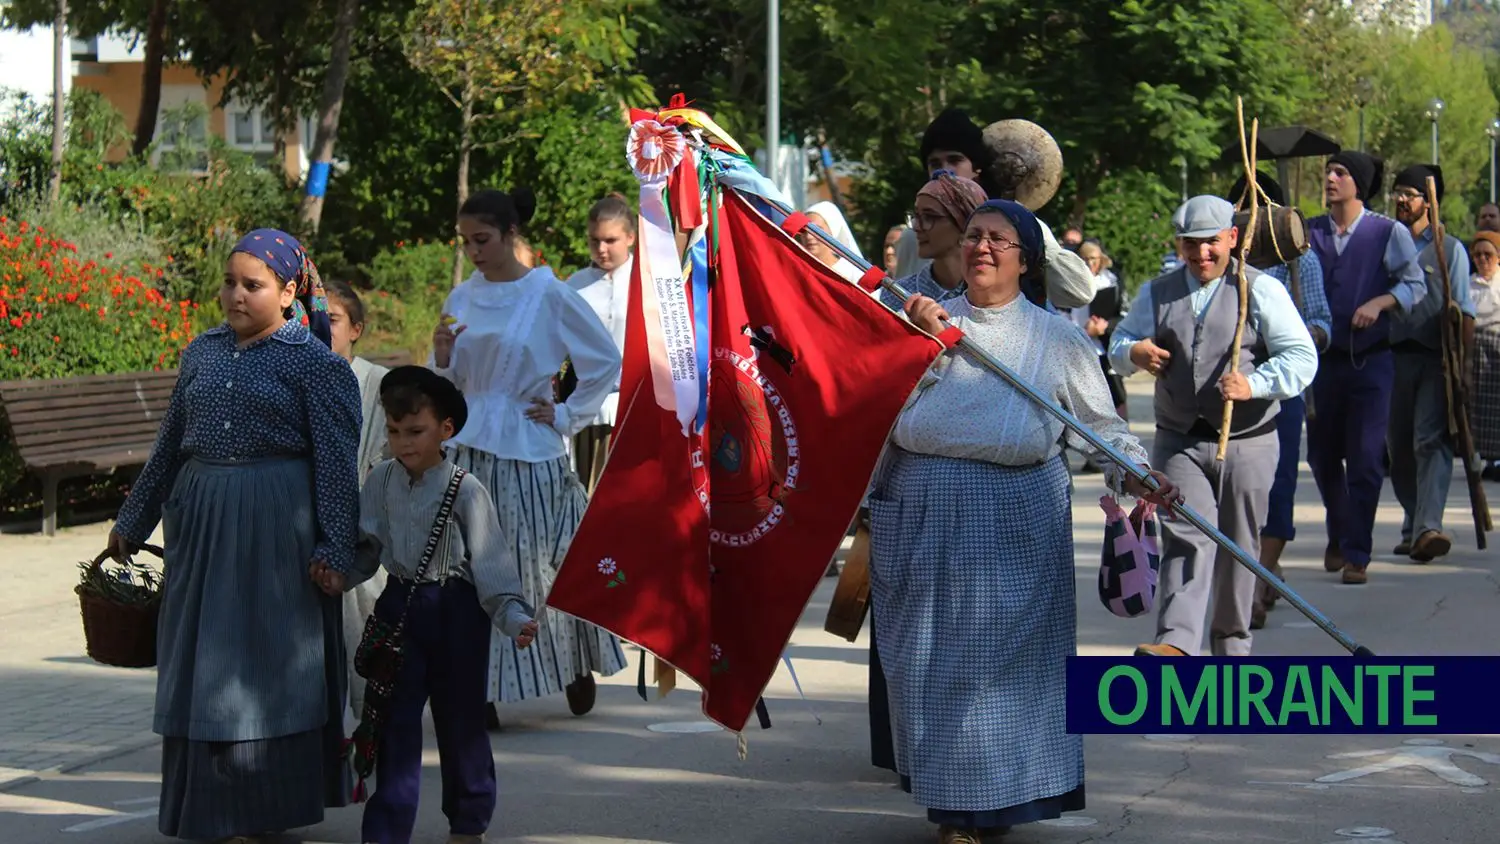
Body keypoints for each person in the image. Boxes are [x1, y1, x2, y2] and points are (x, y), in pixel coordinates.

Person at [875, 198, 1179, 843]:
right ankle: (953, 795)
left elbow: (1101, 427)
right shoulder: (916, 322)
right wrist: (920, 348)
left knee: (991, 667)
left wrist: (1140, 472)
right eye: (976, 236)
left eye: (999, 241)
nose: (983, 248)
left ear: (1026, 260)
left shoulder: (1057, 340)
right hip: (920, 509)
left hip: (1013, 516)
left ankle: (974, 811)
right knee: (926, 662)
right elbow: (872, 409)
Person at [106, 229, 359, 841]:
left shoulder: (315, 365)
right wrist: (132, 521)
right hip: (201, 526)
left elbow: (335, 464)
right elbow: (170, 443)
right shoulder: (203, 351)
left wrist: (334, 549)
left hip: (276, 531)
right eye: (229, 282)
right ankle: (209, 805)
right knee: (204, 660)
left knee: (267, 661)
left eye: (254, 285)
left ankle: (258, 806)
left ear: (290, 289)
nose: (236, 296)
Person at [314, 365, 540, 844]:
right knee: (392, 723)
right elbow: (367, 550)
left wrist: (513, 617)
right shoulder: (379, 482)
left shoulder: (466, 489)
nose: (404, 442)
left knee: (461, 724)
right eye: (394, 432)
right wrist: (339, 577)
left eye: (415, 431)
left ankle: (468, 821)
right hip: (399, 608)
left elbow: (492, 565)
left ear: (445, 429)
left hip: (458, 614)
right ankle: (386, 830)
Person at [432, 187, 626, 720]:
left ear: (510, 234)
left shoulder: (548, 292)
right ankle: (482, 685)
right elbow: (445, 380)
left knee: (537, 565)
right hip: (468, 447)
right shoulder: (462, 297)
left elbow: (604, 360)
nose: (473, 250)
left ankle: (572, 663)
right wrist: (444, 359)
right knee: (469, 567)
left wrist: (565, 414)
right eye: (466, 241)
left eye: (483, 239)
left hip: (527, 449)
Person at [1109, 196, 1318, 658]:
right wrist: (1135, 353)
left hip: (1248, 440)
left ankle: (1231, 645)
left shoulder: (1260, 290)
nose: (1201, 254)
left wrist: (1255, 383)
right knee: (1185, 534)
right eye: (1190, 245)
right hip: (1179, 439)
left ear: (1232, 239)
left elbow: (1302, 356)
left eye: (1211, 244)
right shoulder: (1157, 292)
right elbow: (1120, 343)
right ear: (1179, 245)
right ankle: (1177, 643)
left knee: (1241, 547)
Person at [1305, 151, 1426, 584]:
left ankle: (1357, 551)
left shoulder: (1387, 232)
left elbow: (1414, 283)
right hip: (1319, 364)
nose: (1331, 179)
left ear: (1359, 183)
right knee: (1320, 457)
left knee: (1365, 459)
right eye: (1328, 172)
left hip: (1371, 364)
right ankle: (1340, 530)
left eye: (1340, 173)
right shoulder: (1310, 231)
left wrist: (1380, 302)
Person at [1222, 173, 1332, 629]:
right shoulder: (1217, 258)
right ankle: (1250, 571)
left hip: (1279, 387)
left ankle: (1258, 581)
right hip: (1225, 386)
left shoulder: (1298, 261)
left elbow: (1322, 323)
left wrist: (1306, 337)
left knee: (1278, 481)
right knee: (1234, 488)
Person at [891, 107, 1095, 310]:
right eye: (934, 163)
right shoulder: (915, 236)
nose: (945, 170)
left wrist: (1023, 228)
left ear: (976, 168)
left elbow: (1079, 293)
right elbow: (899, 306)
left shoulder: (1016, 224)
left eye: (955, 160)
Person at [1387, 164, 1476, 563]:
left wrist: (1464, 364)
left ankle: (1428, 527)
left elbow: (1465, 311)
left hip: (1435, 359)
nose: (1403, 201)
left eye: (1411, 193)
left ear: (1429, 201)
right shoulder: (1386, 244)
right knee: (1398, 448)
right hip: (1391, 359)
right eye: (1398, 193)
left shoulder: (1448, 248)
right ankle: (1412, 523)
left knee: (1429, 441)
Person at [325, 279, 393, 723]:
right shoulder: (297, 376)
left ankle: (371, 716)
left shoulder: (378, 385)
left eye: (331, 320)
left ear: (356, 329)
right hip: (313, 524)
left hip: (367, 527)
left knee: (365, 618)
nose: (319, 328)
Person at [565, 194, 637, 493]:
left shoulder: (648, 281)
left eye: (610, 240)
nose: (602, 249)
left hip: (635, 406)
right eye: (594, 241)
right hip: (587, 409)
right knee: (587, 495)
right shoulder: (575, 285)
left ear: (630, 237)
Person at [1468, 232, 1500, 478]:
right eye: (1477, 255)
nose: (1482, 260)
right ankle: (1479, 456)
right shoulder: (1468, 284)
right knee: (1477, 408)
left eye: (1487, 255)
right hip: (1476, 354)